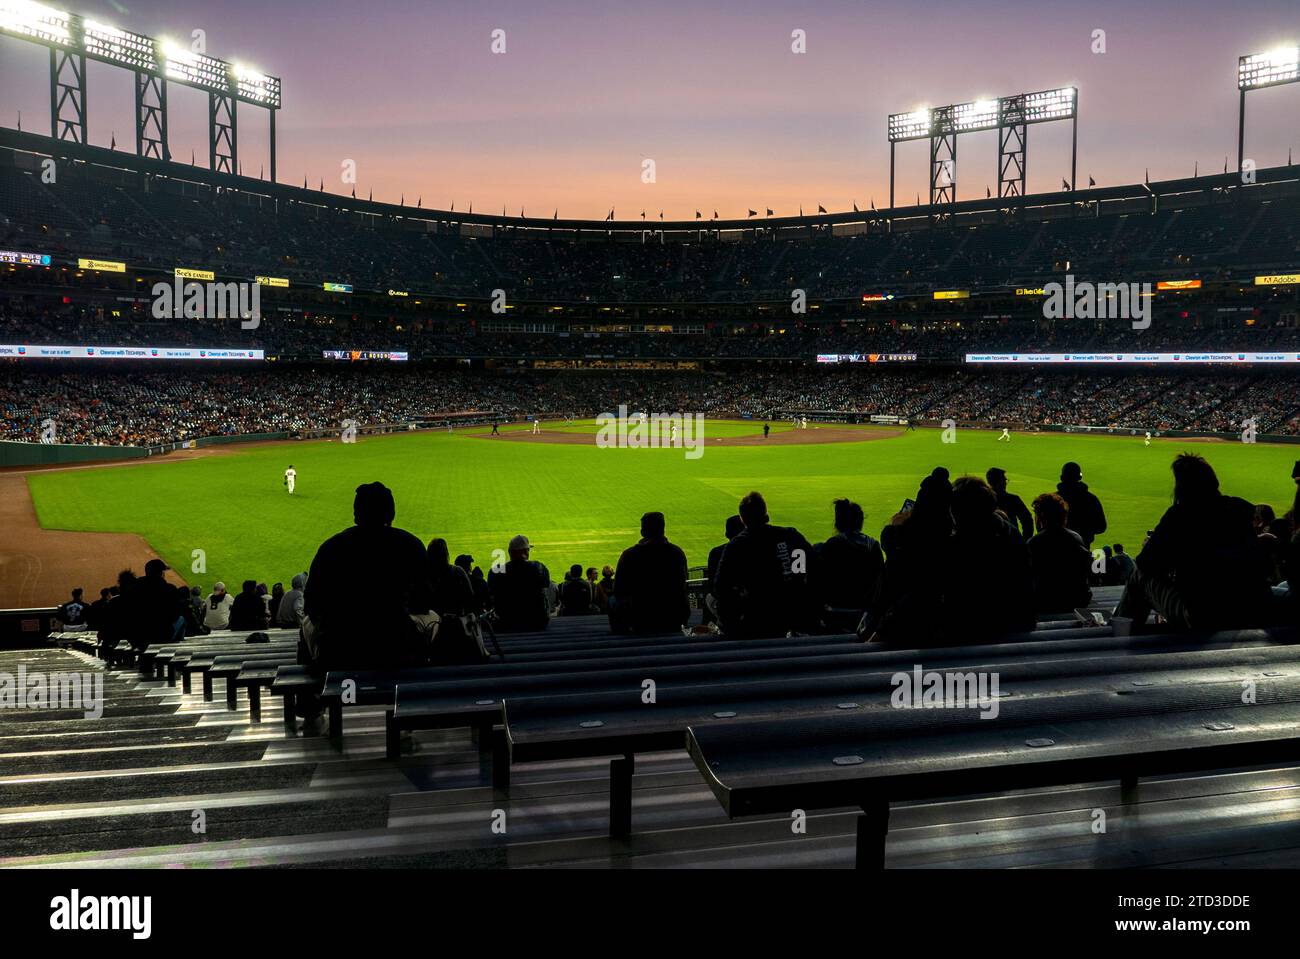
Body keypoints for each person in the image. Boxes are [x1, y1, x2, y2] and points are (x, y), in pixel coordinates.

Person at [1116, 453, 1271, 632]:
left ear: (1181, 487)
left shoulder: (1179, 514)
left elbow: (1147, 564)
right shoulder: (1241, 508)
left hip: (1204, 616)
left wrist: (1152, 547)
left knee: (1138, 576)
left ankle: (1119, 632)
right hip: (1250, 609)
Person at [301, 481, 435, 674]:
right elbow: (425, 599)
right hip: (398, 645)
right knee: (433, 619)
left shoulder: (331, 547)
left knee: (306, 623)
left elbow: (312, 603)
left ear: (356, 513)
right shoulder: (411, 545)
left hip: (339, 649)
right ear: (391, 513)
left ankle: (311, 691)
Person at [714, 492, 817, 639]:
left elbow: (721, 587)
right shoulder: (791, 536)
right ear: (766, 515)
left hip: (755, 620)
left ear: (742, 519)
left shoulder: (736, 546)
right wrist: (795, 582)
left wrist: (734, 620)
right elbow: (811, 564)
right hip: (791, 616)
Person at [611, 512, 691, 634]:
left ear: (643, 531)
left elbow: (618, 590)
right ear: (663, 529)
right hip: (673, 616)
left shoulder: (630, 554)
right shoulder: (676, 552)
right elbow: (683, 585)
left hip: (640, 618)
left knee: (612, 600)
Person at [815, 499, 885, 632]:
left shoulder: (830, 546)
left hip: (833, 615)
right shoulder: (873, 546)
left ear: (837, 523)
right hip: (864, 616)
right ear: (860, 522)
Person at [1027, 493, 1093, 613]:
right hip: (1077, 601)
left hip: (1046, 603)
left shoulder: (1034, 543)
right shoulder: (1076, 538)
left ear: (1041, 516)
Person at [488, 535, 552, 632]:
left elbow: (491, 595)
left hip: (507, 623)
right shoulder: (539, 567)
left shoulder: (496, 570)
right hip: (536, 622)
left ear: (509, 552)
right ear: (526, 551)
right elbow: (545, 586)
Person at [130, 558, 183, 649]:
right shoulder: (169, 589)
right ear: (160, 573)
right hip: (162, 634)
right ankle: (174, 649)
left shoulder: (135, 588)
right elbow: (175, 614)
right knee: (182, 619)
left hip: (138, 634)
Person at [704, 515, 745, 625]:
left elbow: (713, 588)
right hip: (753, 608)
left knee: (708, 597)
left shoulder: (716, 552)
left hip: (729, 609)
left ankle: (708, 626)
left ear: (727, 534)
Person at [1056, 461, 1107, 548]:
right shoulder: (1091, 499)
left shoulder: (1054, 500)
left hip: (1057, 549)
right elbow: (1101, 526)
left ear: (1062, 477)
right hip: (1083, 548)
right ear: (1080, 477)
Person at [986, 467, 1034, 541]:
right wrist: (1025, 540)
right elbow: (1027, 520)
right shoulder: (1013, 499)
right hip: (1011, 541)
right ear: (999, 482)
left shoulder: (982, 499)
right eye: (1004, 480)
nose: (1005, 482)